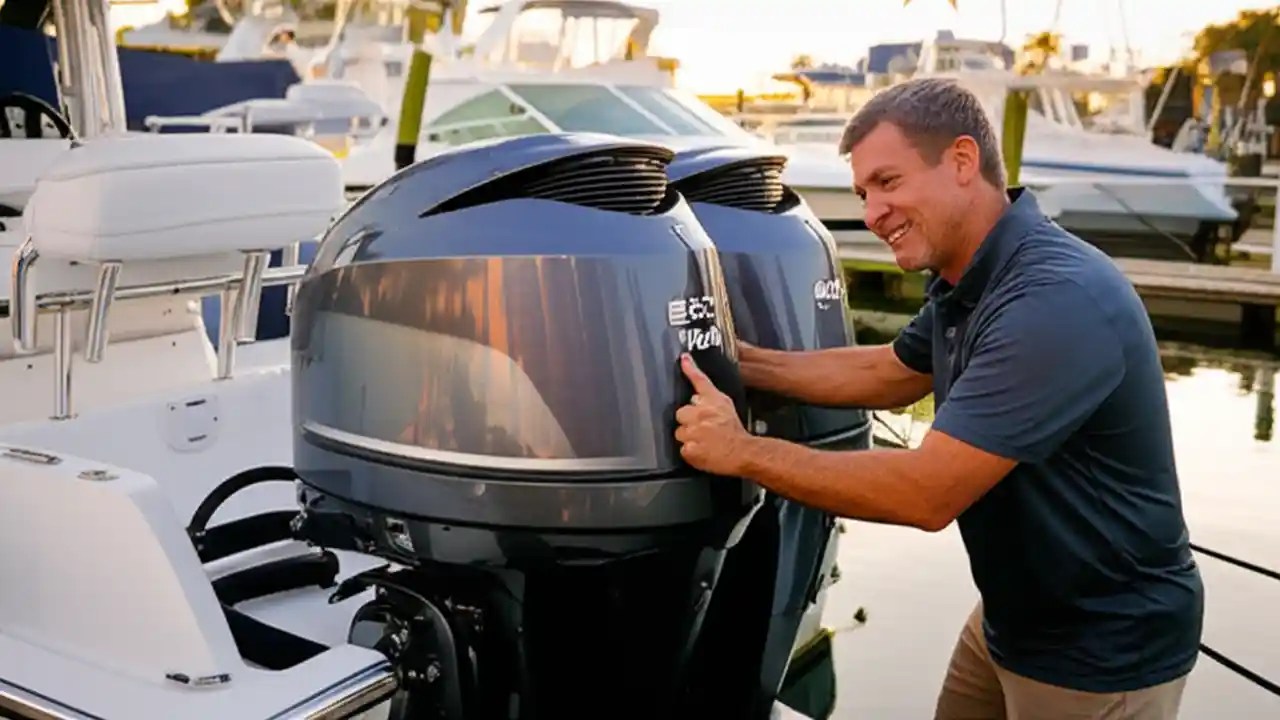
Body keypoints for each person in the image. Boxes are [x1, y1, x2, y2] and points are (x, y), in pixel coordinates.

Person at [673, 76, 1204, 719]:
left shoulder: (1051, 299)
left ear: (960, 161)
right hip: (1012, 619)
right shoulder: (970, 277)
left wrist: (742, 452)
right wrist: (738, 363)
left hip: (1100, 649)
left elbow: (925, 494)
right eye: (864, 193)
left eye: (888, 184)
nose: (871, 214)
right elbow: (892, 371)